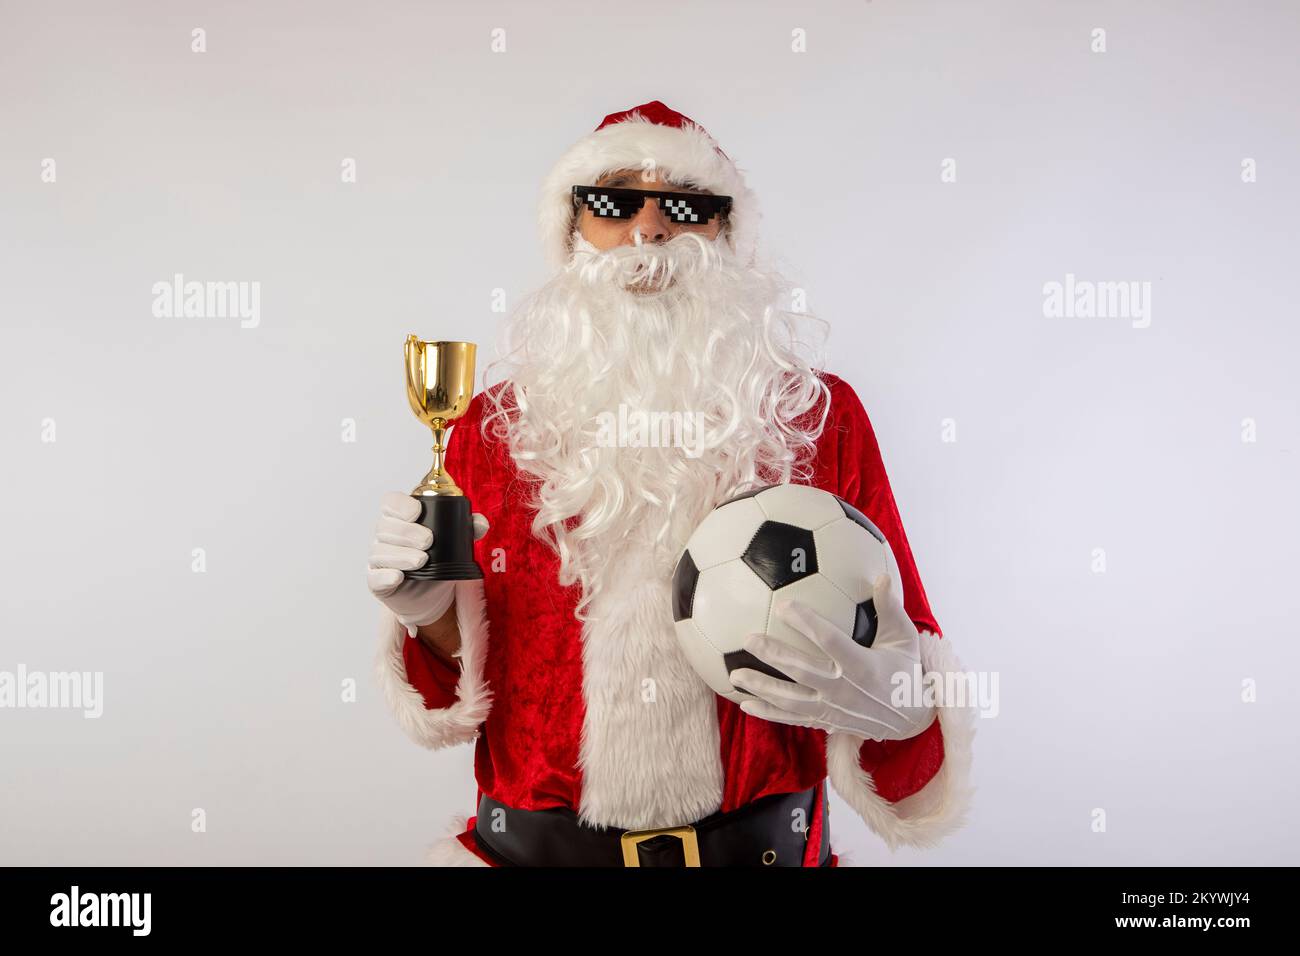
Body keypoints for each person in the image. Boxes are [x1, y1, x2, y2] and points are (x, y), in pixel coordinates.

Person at [366, 100, 975, 866]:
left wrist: (902, 704)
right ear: (572, 230)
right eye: (614, 202)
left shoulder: (818, 417)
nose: (649, 230)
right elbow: (455, 694)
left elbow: (907, 649)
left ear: (726, 235)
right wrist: (427, 619)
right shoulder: (491, 427)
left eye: (685, 205)